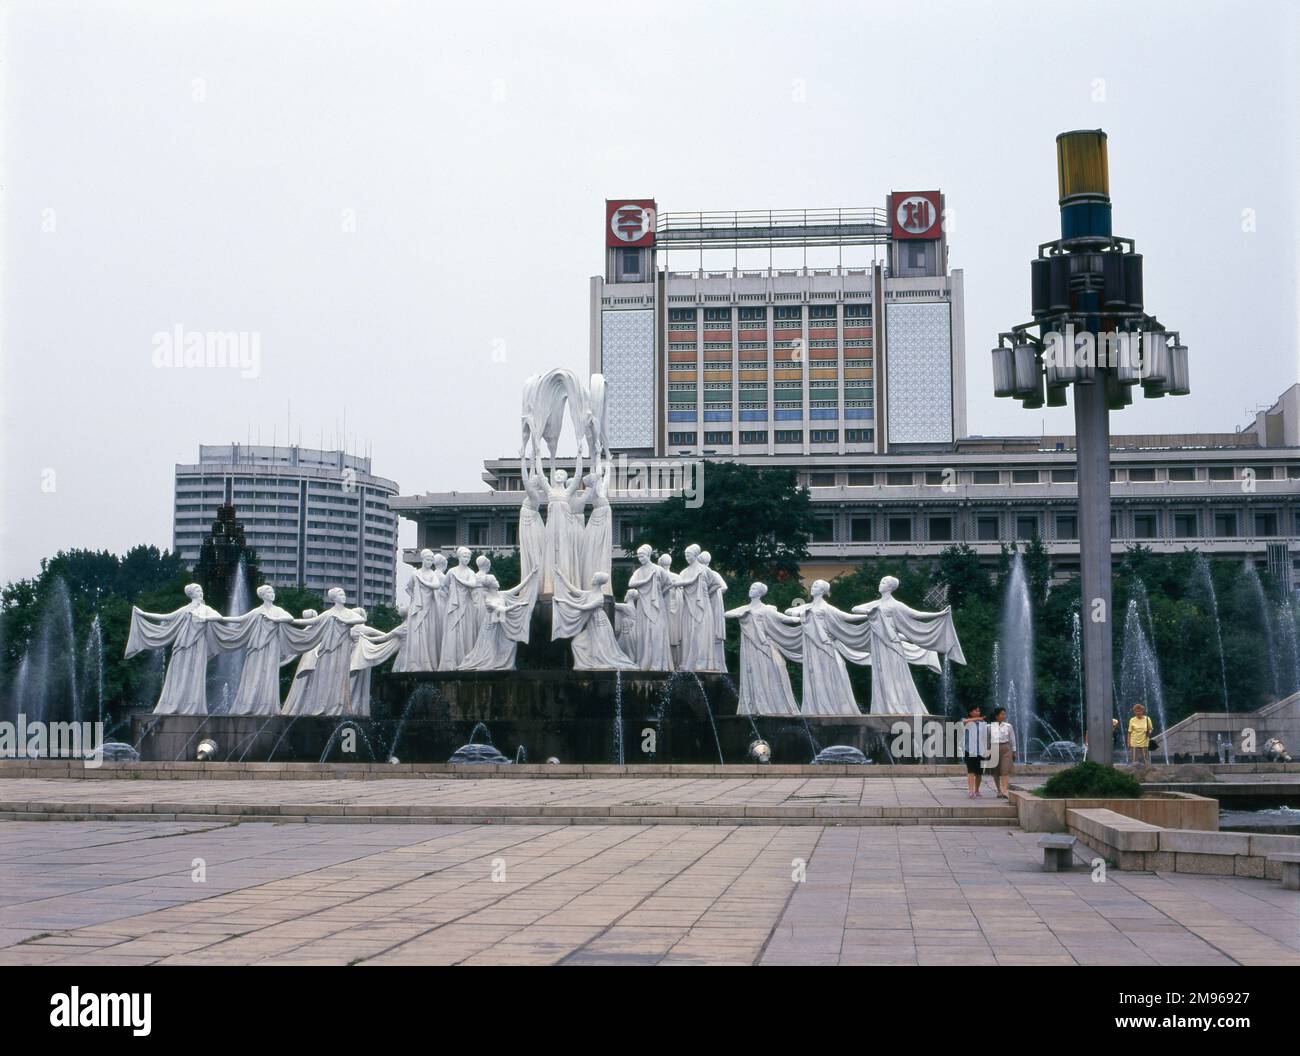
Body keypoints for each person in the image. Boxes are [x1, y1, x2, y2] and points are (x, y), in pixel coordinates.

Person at [987, 706, 1016, 798]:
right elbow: (987, 740)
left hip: (1006, 748)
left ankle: (1005, 791)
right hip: (994, 748)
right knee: (995, 771)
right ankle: (999, 790)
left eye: (1004, 714)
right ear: (996, 716)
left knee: (1005, 770)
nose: (1004, 716)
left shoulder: (1008, 726)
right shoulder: (989, 727)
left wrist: (1014, 751)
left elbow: (1012, 739)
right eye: (1002, 714)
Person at [962, 703, 987, 798]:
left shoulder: (982, 724)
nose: (978, 712)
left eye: (979, 711)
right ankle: (971, 791)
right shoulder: (966, 721)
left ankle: (977, 790)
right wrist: (977, 719)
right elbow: (963, 722)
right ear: (970, 712)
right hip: (969, 750)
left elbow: (985, 737)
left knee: (979, 773)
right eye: (976, 710)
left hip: (980, 750)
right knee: (971, 771)